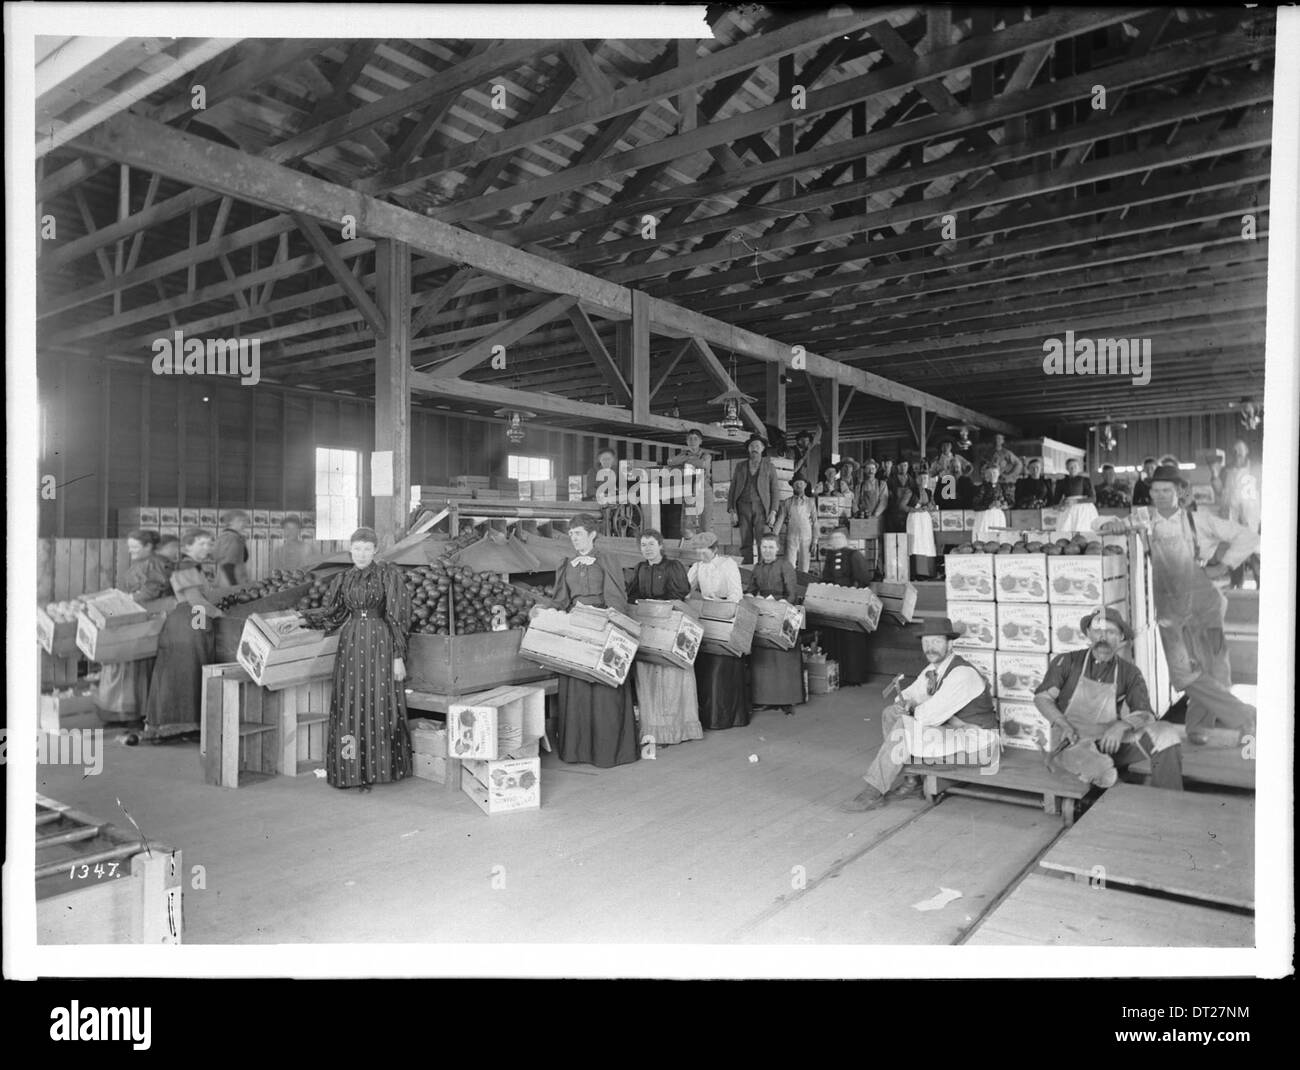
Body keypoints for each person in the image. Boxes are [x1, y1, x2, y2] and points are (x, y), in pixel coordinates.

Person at [1098, 465, 1258, 744]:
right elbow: (1104, 525)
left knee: (1214, 669)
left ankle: (1198, 728)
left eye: (1166, 490)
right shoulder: (1144, 520)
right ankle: (1244, 715)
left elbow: (1248, 536)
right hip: (1169, 609)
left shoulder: (1200, 521)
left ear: (1180, 491)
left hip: (1204, 606)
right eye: (1155, 490)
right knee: (1183, 675)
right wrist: (1108, 525)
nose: (1159, 495)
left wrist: (1223, 566)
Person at [843, 617, 999, 812]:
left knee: (904, 726)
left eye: (936, 642)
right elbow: (909, 694)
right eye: (926, 642)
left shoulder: (962, 674)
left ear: (950, 644)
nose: (930, 648)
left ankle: (873, 790)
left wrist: (910, 708)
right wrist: (903, 703)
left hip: (978, 747)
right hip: (953, 734)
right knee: (891, 713)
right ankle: (912, 781)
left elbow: (928, 717)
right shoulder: (933, 670)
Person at [298, 528, 413, 791]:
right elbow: (334, 613)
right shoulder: (343, 579)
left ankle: (381, 769)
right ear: (350, 550)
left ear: (375, 551)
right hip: (351, 642)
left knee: (379, 701)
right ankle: (351, 769)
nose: (361, 554)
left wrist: (398, 657)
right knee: (351, 701)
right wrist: (303, 618)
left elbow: (399, 617)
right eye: (357, 548)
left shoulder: (388, 575)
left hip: (380, 641)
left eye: (366, 548)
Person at [1033, 608, 1182, 790]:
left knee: (1166, 735)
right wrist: (1062, 723)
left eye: (1111, 632)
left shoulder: (1130, 672)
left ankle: (1170, 802)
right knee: (1105, 773)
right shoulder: (1066, 662)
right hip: (1071, 742)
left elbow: (1146, 714)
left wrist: (1121, 726)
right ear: (1088, 633)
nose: (1103, 638)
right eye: (1098, 631)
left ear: (1121, 638)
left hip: (1110, 740)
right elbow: (1042, 698)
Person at [546, 514, 639, 766]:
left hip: (602, 631)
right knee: (577, 690)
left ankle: (607, 752)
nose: (573, 538)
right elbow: (559, 601)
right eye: (572, 534)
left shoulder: (607, 560)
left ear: (592, 535)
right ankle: (578, 751)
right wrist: (546, 614)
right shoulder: (567, 563)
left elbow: (617, 599)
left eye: (578, 533)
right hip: (576, 634)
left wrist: (608, 617)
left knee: (603, 691)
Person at [140, 528, 224, 742]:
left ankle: (186, 725)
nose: (207, 547)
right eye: (201, 543)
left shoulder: (194, 567)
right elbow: (196, 601)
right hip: (188, 622)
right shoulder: (186, 567)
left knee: (189, 670)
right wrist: (220, 614)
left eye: (209, 543)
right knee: (187, 670)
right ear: (187, 547)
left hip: (192, 621)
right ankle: (180, 725)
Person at [626, 530, 703, 746]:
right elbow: (632, 595)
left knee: (672, 680)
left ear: (660, 546)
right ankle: (654, 731)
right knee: (648, 680)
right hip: (648, 632)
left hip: (670, 632)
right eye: (643, 545)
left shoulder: (674, 567)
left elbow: (681, 595)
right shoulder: (640, 568)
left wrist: (658, 608)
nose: (647, 548)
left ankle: (679, 730)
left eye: (651, 544)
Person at [96, 529, 172, 729]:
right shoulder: (142, 563)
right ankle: (120, 714)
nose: (131, 551)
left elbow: (154, 589)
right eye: (129, 548)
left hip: (146, 619)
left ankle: (134, 714)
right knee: (124, 664)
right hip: (133, 616)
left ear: (148, 546)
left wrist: (129, 599)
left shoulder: (155, 563)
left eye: (135, 547)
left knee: (134, 666)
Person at [687, 532, 752, 729]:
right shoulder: (698, 567)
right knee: (705, 664)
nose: (700, 553)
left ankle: (729, 716)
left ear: (714, 549)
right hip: (708, 619)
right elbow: (683, 588)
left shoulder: (728, 564)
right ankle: (708, 715)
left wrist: (719, 604)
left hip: (727, 617)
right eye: (697, 550)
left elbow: (736, 595)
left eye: (703, 549)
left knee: (722, 668)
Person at [746, 533, 803, 716]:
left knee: (784, 657)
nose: (767, 550)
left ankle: (787, 699)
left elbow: (792, 593)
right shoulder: (757, 567)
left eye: (771, 547)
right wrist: (750, 597)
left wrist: (784, 605)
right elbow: (751, 589)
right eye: (764, 547)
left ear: (778, 549)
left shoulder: (785, 566)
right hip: (764, 614)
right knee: (765, 658)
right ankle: (765, 699)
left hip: (783, 613)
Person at [817, 527, 872, 687]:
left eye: (839, 538)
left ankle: (855, 676)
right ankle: (837, 676)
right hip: (833, 605)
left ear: (846, 540)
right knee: (834, 638)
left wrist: (851, 593)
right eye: (833, 538)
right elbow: (825, 578)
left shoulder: (854, 555)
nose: (836, 541)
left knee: (852, 640)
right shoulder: (829, 556)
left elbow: (863, 579)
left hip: (852, 604)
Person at [726, 434, 780, 565]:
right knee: (745, 541)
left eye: (757, 446)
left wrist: (773, 512)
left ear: (762, 449)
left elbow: (775, 491)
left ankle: (764, 568)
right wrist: (732, 510)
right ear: (748, 449)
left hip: (762, 508)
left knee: (763, 541)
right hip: (742, 507)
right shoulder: (740, 466)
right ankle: (747, 568)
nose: (754, 448)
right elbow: (732, 488)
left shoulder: (769, 467)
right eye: (751, 446)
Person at [665, 429, 714, 536]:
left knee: (705, 524)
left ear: (701, 441)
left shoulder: (706, 455)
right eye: (690, 438)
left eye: (696, 438)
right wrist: (689, 458)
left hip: (704, 492)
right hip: (689, 492)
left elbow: (703, 464)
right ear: (687, 441)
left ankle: (707, 551)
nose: (693, 441)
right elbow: (670, 461)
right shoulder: (683, 454)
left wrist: (684, 460)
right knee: (688, 524)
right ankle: (690, 550)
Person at [776, 475, 816, 572]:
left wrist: (815, 541)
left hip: (806, 538)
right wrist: (773, 536)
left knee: (804, 567)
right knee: (789, 566)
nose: (798, 485)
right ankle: (790, 586)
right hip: (791, 538)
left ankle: (803, 586)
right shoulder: (787, 502)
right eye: (796, 483)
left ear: (805, 485)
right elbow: (780, 520)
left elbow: (815, 522)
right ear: (792, 486)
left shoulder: (810, 502)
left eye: (801, 483)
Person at [1053, 457, 1098, 535]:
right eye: (1070, 467)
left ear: (1079, 467)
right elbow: (1056, 500)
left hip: (1083, 510)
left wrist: (1076, 501)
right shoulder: (1061, 482)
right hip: (1068, 509)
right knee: (1066, 531)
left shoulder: (1085, 480)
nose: (1073, 469)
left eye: (1075, 466)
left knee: (1084, 530)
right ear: (1067, 468)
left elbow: (1093, 499)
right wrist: (1059, 505)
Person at [906, 471, 939, 573]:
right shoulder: (910, 491)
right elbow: (902, 506)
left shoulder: (929, 492)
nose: (923, 480)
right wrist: (915, 510)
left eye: (925, 478)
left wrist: (930, 507)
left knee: (926, 543)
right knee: (915, 543)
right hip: (914, 519)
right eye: (921, 478)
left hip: (925, 520)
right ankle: (916, 572)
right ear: (917, 480)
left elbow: (933, 505)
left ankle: (928, 572)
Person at [969, 462, 1009, 542]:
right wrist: (988, 506)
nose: (992, 475)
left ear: (998, 474)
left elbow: (1008, 501)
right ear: (986, 475)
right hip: (985, 516)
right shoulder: (981, 488)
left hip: (998, 516)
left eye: (994, 473)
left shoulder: (1002, 487)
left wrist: (1004, 505)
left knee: (999, 538)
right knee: (984, 539)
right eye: (989, 473)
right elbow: (975, 505)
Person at [584, 448, 620, 535]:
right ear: (599, 460)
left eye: (609, 459)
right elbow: (590, 489)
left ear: (613, 460)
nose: (606, 461)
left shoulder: (618, 472)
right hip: (600, 503)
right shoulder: (593, 471)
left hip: (616, 503)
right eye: (604, 459)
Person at [213, 510, 250, 589]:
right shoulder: (231, 538)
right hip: (232, 581)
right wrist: (234, 586)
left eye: (245, 521)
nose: (244, 524)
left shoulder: (229, 536)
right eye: (240, 521)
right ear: (230, 522)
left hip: (229, 580)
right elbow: (227, 564)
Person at [883, 461, 915, 534]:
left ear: (908, 466)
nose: (903, 468)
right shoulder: (890, 481)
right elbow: (886, 497)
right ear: (897, 467)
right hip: (892, 515)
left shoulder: (912, 481)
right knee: (892, 539)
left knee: (905, 539)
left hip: (907, 515)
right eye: (901, 465)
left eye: (905, 465)